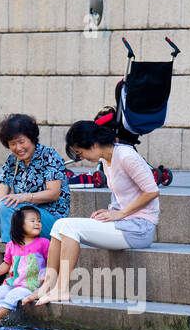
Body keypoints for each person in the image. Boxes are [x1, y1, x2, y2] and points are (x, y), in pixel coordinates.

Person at [25, 121, 159, 305]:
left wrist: (121, 214)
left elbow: (152, 191)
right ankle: (47, 286)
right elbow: (125, 195)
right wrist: (112, 211)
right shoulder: (106, 160)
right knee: (59, 225)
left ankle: (62, 289)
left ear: (94, 144)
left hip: (140, 228)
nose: (82, 157)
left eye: (81, 152)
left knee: (70, 227)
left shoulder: (127, 156)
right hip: (124, 222)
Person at [0, 113, 70, 275]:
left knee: (7, 205)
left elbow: (54, 193)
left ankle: (13, 262)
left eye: (22, 142)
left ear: (32, 138)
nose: (18, 148)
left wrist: (24, 197)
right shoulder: (12, 161)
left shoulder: (49, 156)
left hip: (49, 222)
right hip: (23, 221)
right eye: (13, 144)